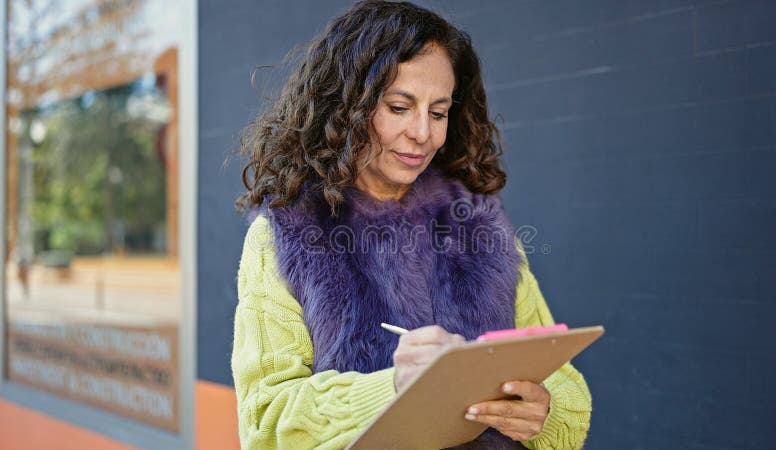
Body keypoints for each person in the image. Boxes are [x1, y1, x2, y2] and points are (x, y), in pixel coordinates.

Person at [232, 1, 591, 448]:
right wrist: (397, 389)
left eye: (438, 112)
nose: (423, 133)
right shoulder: (285, 235)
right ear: (346, 107)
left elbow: (570, 393)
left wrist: (544, 411)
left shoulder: (479, 221)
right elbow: (266, 424)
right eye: (399, 107)